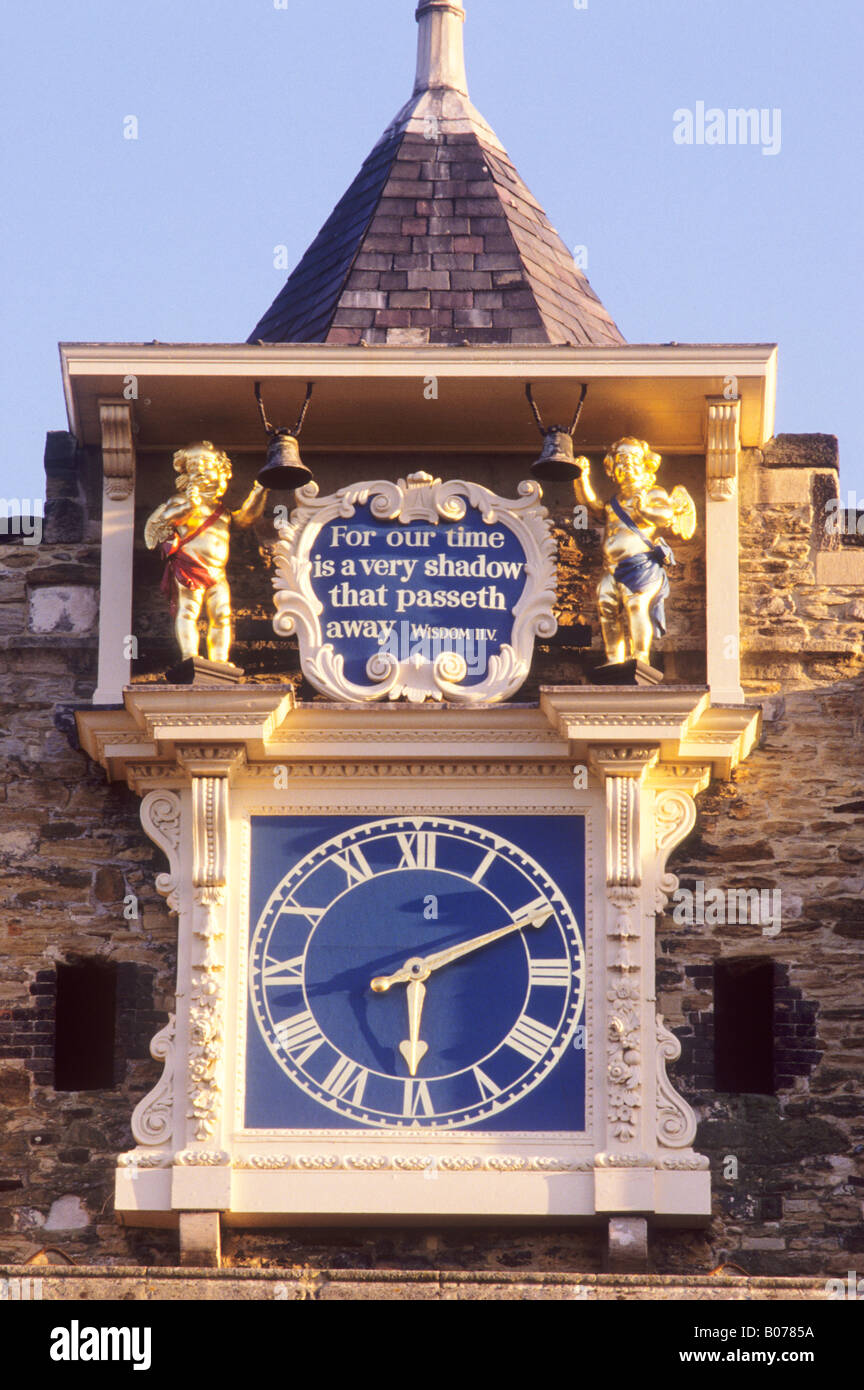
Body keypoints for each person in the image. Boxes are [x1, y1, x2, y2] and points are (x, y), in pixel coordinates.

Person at [572, 437, 696, 667]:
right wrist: (582, 479)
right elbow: (593, 506)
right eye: (619, 462)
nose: (626, 466)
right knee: (606, 607)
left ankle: (640, 655)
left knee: (636, 605)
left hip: (640, 565)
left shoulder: (653, 493)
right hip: (612, 568)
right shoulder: (614, 501)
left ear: (645, 465)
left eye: (631, 460)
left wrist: (645, 509)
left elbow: (666, 515)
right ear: (612, 469)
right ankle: (613, 659)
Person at [145, 442, 269, 664]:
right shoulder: (180, 500)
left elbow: (244, 519)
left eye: (207, 465)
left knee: (222, 615)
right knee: (188, 610)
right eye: (194, 466)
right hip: (190, 566)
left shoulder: (220, 511)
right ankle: (189, 656)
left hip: (217, 572)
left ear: (221, 472)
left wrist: (260, 492)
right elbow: (167, 518)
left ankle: (220, 661)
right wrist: (190, 506)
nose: (201, 470)